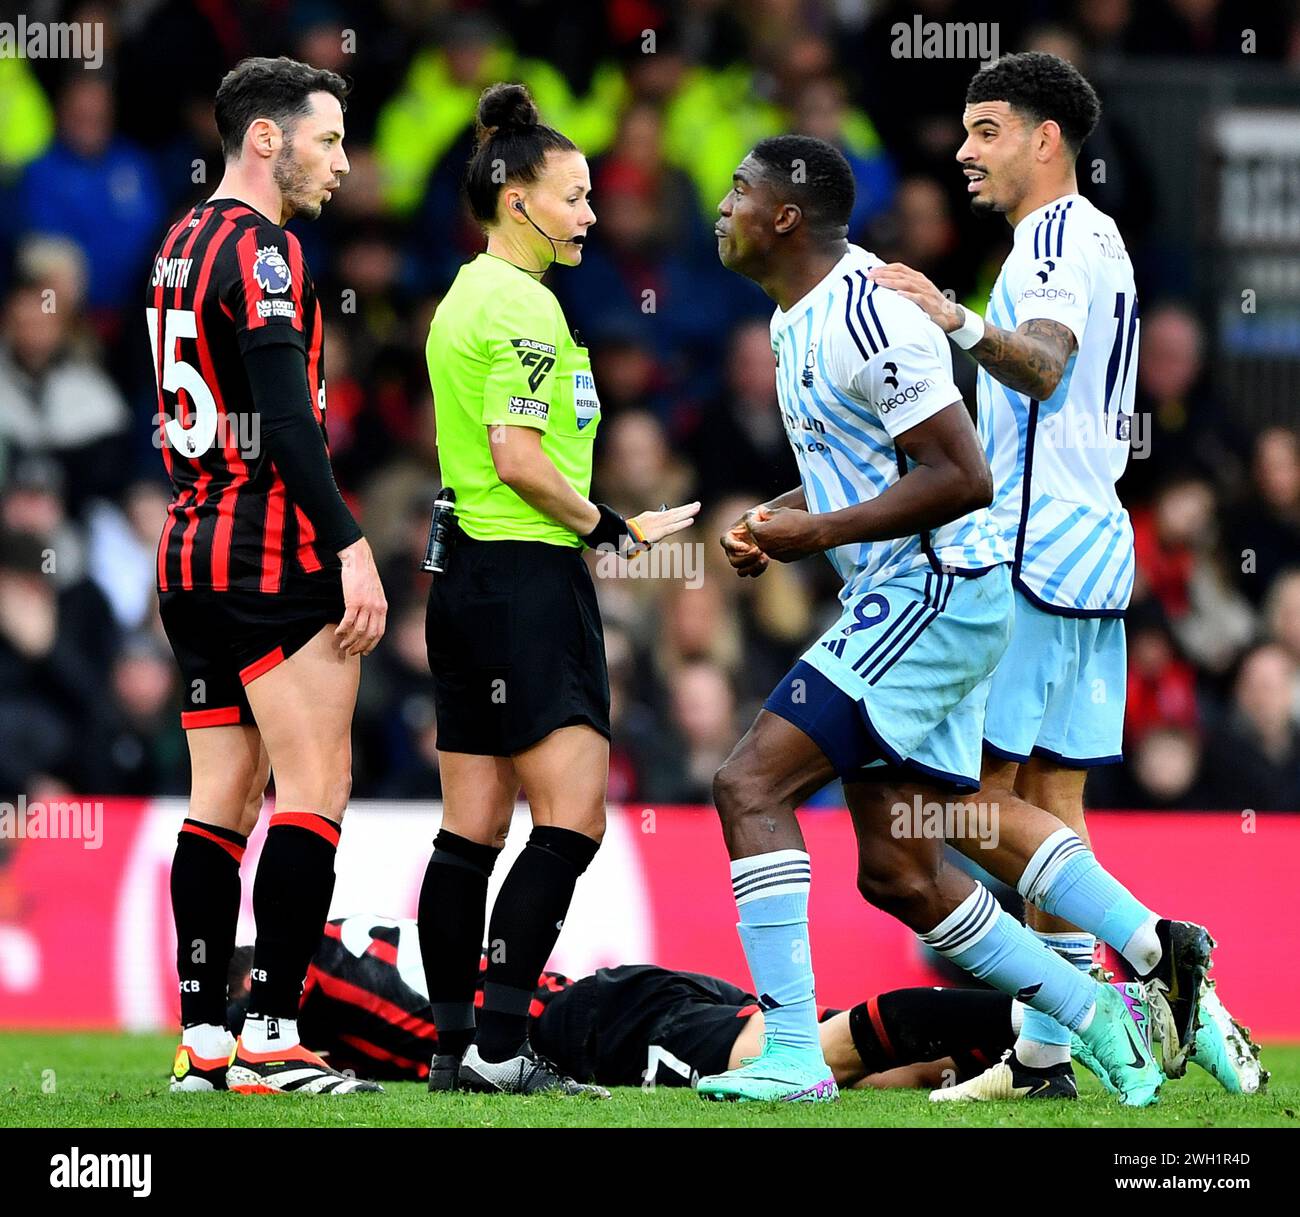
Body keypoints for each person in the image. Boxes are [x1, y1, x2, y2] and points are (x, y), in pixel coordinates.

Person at [703, 132, 1166, 1107]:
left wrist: (812, 531)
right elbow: (862, 465)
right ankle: (1100, 1011)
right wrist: (781, 515)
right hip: (911, 594)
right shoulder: (795, 318)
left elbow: (962, 475)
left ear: (786, 216)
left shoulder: (868, 312)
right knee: (902, 866)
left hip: (934, 594)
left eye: (737, 190)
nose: (722, 206)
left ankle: (791, 1053)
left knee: (749, 780)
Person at [869, 50, 1254, 1102]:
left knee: (953, 803)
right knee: (1053, 806)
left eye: (985, 128)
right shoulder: (1103, 236)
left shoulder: (1044, 241)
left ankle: (1152, 944)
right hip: (1095, 544)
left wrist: (951, 318)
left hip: (1032, 550)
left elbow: (1038, 361)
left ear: (1046, 139)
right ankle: (1047, 1056)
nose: (962, 150)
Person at [419, 82, 698, 1096]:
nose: (591, 214)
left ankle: (452, 1046)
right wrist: (613, 528)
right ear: (519, 198)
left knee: (469, 828)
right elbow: (520, 455)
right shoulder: (525, 303)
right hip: (529, 581)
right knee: (573, 816)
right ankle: (500, 1045)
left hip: (464, 578)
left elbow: (491, 456)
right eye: (575, 196)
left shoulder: (462, 294)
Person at [153, 56, 387, 1097]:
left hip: (189, 549)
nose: (340, 161)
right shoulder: (265, 250)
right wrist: (347, 540)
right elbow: (287, 415)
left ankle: (204, 1040)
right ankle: (275, 1035)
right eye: (327, 139)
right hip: (268, 551)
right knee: (316, 786)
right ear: (266, 138)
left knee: (221, 799)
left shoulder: (178, 243)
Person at [225, 915, 1266, 1096]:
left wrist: (240, 1032)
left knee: (814, 1051)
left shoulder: (320, 976)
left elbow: (417, 1040)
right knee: (869, 1070)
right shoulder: (350, 944)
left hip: (589, 1026)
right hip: (612, 996)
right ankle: (1036, 1038)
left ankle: (1078, 1016)